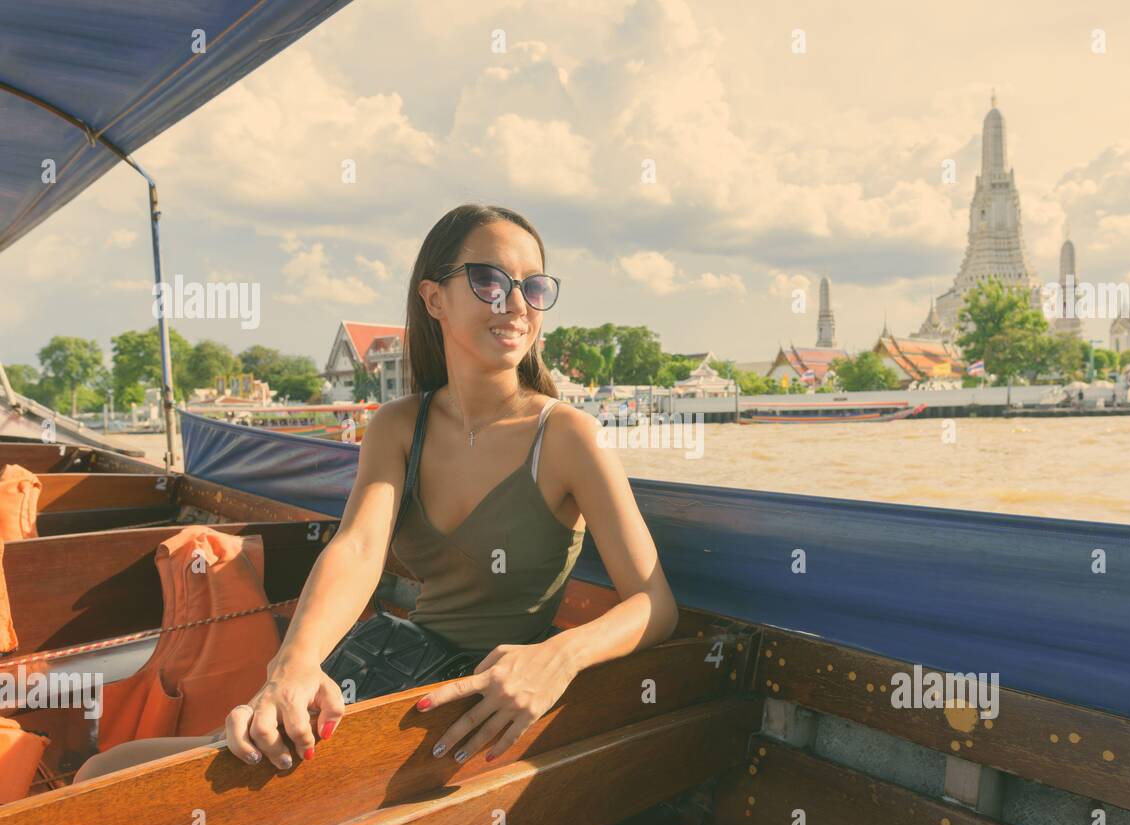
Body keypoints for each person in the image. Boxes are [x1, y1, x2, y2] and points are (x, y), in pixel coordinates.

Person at [74, 203, 678, 781]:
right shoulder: (398, 425)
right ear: (433, 297)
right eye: (491, 281)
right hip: (383, 664)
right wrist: (294, 664)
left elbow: (653, 602)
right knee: (103, 774)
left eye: (533, 287)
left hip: (473, 705)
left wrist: (558, 657)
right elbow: (359, 549)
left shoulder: (569, 435)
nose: (516, 304)